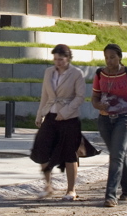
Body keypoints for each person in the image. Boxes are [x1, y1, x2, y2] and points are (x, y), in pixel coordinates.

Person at [30, 44, 86, 201]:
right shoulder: (48, 72)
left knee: (69, 153)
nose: (58, 62)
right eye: (55, 59)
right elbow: (45, 95)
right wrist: (39, 114)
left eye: (61, 59)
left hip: (69, 118)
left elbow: (80, 97)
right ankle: (48, 186)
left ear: (68, 58)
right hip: (50, 115)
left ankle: (71, 190)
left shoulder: (77, 74)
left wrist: (65, 112)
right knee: (40, 149)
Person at [92, 42, 127, 208]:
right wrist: (98, 105)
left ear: (120, 57)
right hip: (105, 119)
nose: (109, 61)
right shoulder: (100, 74)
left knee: (116, 155)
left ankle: (110, 195)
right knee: (117, 153)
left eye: (112, 57)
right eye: (106, 57)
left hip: (125, 118)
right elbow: (94, 98)